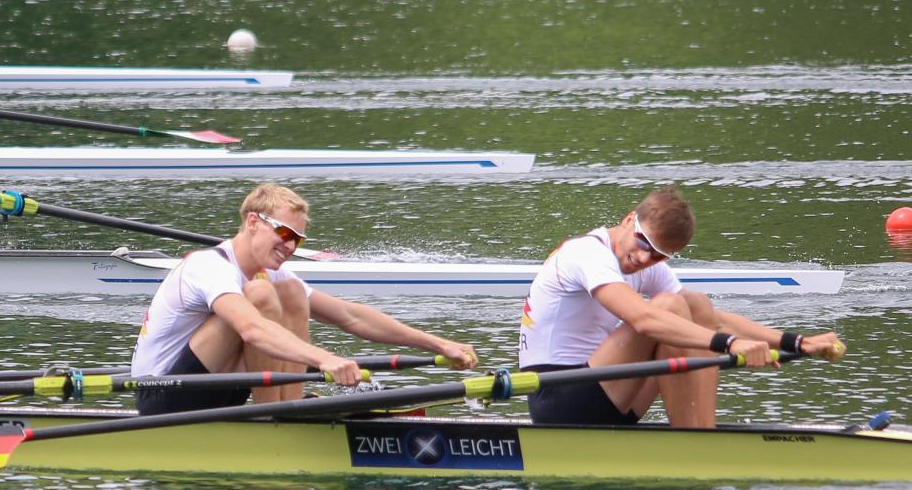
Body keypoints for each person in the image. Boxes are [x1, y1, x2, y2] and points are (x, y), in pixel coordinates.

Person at [129, 183, 478, 416]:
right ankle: (273, 419)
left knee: (292, 292)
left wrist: (439, 344)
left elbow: (351, 317)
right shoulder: (208, 266)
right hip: (163, 396)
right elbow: (251, 330)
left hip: (213, 386)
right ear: (253, 222)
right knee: (262, 294)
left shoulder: (274, 272)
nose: (290, 247)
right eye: (284, 233)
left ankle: (289, 408)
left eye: (297, 239)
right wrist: (324, 359)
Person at [519, 187, 845, 428]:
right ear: (629, 219)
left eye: (660, 255)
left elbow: (712, 320)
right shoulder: (586, 254)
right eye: (644, 243)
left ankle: (700, 432)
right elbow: (644, 319)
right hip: (555, 397)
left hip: (609, 389)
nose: (646, 258)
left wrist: (797, 342)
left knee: (695, 303)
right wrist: (731, 345)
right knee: (670, 307)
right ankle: (696, 442)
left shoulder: (646, 265)